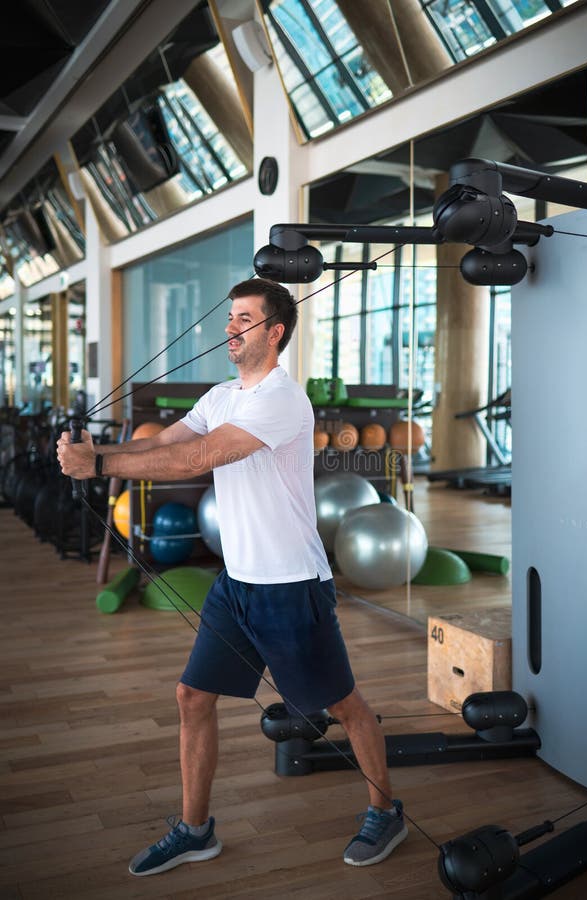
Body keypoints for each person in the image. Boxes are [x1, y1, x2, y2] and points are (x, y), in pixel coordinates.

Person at [57, 277, 408, 875]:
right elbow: (170, 440)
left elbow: (199, 458)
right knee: (192, 696)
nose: (230, 329)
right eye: (228, 319)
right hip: (236, 584)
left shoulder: (281, 399)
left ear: (275, 331)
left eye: (243, 319)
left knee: (343, 705)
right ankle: (196, 829)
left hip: (291, 585)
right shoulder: (222, 394)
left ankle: (385, 811)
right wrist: (102, 452)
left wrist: (101, 465)